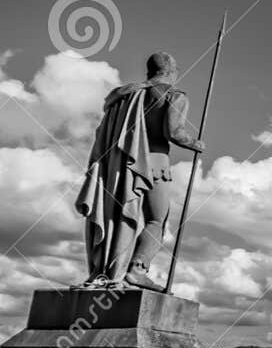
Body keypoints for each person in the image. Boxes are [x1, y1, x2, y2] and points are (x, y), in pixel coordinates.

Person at [75, 51, 204, 289]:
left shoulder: (123, 96)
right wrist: (196, 144)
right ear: (171, 71)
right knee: (157, 219)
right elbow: (173, 132)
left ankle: (108, 267)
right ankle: (137, 268)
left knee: (115, 214)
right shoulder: (174, 95)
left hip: (118, 163)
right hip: (154, 164)